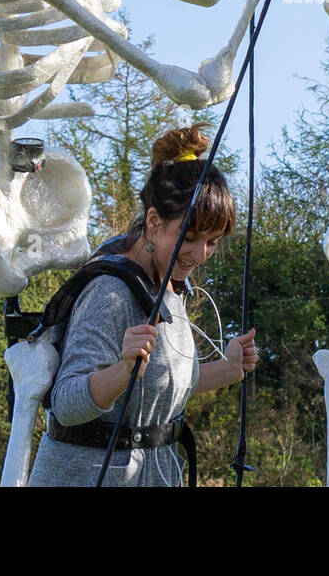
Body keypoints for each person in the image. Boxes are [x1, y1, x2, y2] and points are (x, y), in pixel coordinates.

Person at [28, 125, 258, 486]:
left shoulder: (169, 288)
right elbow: (67, 403)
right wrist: (123, 371)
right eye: (191, 237)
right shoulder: (110, 291)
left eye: (212, 241)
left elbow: (154, 390)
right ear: (153, 222)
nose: (200, 254)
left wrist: (228, 369)